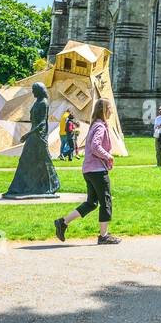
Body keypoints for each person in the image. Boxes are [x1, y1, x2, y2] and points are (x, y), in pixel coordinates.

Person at [54, 98, 121, 246]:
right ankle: (104, 236)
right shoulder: (100, 127)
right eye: (109, 108)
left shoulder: (95, 125)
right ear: (103, 110)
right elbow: (95, 146)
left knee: (91, 203)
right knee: (106, 201)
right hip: (97, 170)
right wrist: (108, 156)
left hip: (89, 170)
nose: (111, 111)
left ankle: (63, 222)